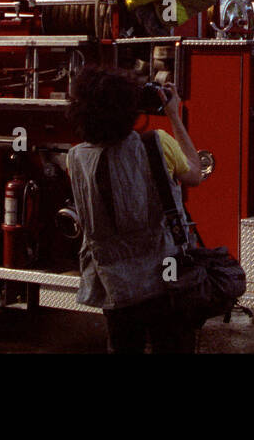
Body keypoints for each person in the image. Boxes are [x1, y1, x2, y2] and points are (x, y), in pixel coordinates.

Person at [66, 66, 205, 353]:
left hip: (117, 288)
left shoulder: (76, 158)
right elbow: (195, 174)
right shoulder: (155, 144)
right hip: (165, 284)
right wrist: (174, 115)